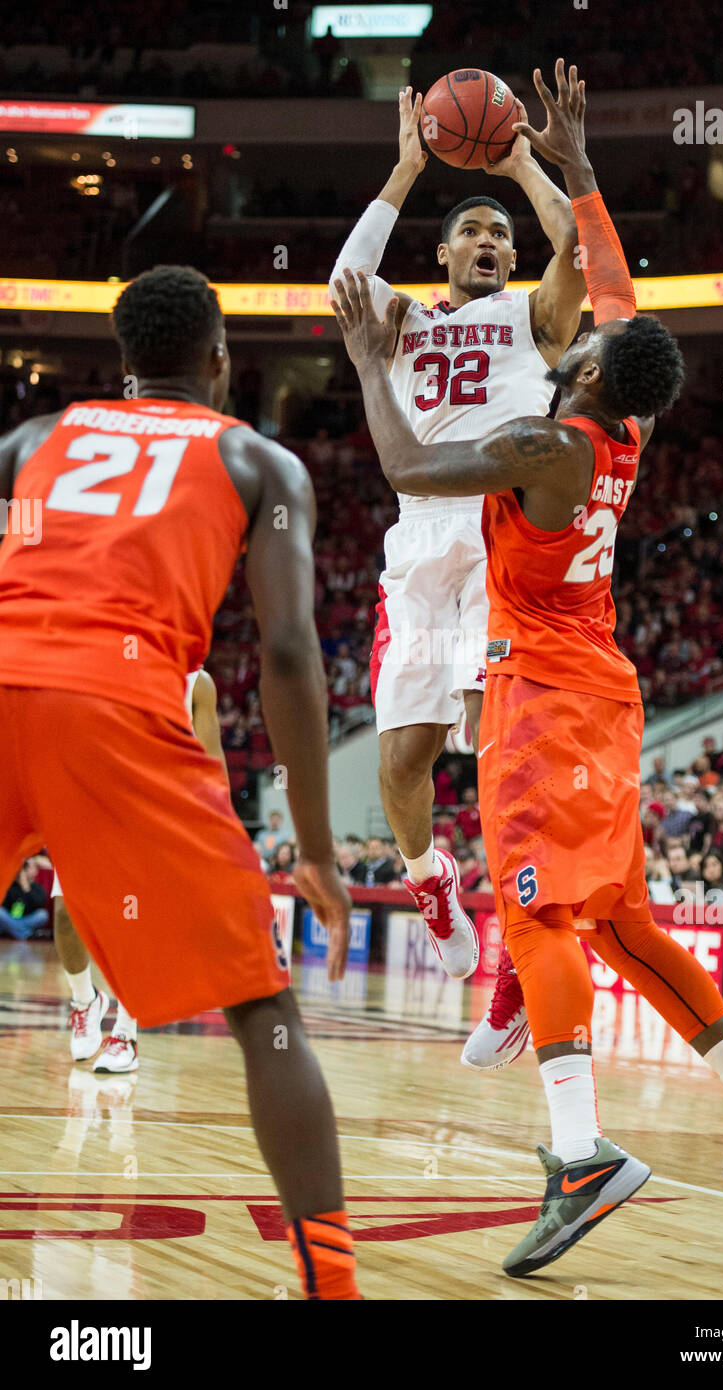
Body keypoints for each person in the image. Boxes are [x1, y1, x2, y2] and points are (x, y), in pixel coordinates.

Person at [331, 61, 723, 1276]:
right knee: (625, 926)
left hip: (542, 697)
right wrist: (580, 172)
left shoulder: (541, 445)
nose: (589, 335)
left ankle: (581, 1154)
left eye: (598, 344)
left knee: (540, 914)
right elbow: (612, 293)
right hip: (602, 688)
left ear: (598, 374)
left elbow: (405, 468)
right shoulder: (624, 422)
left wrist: (362, 360)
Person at [0, 266, 357, 1301]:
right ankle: (331, 1288)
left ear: (122, 366)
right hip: (112, 700)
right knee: (264, 1009)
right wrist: (318, 850)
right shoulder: (256, 459)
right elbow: (288, 653)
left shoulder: (30, 442)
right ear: (220, 360)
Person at [329, 74, 588, 1065]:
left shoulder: (535, 316)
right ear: (441, 253)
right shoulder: (403, 321)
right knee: (403, 759)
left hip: (502, 535)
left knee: (491, 745)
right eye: (472, 231)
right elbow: (342, 286)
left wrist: (523, 158)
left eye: (499, 234)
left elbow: (576, 249)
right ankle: (427, 873)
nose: (490, 241)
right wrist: (404, 165)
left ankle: (519, 955)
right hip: (418, 533)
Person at [54, 667, 224, 1075]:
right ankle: (86, 1001)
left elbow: (211, 763)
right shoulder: (92, 666)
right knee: (64, 914)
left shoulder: (195, 684)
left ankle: (125, 1033)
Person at [1, 858, 48, 940]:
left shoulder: (37, 887)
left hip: (27, 919)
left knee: (43, 914)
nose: (24, 870)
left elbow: (39, 903)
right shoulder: (10, 885)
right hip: (11, 918)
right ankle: (23, 933)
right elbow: (3, 904)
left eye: (27, 867)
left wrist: (26, 888)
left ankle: (15, 931)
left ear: (36, 871)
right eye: (23, 867)